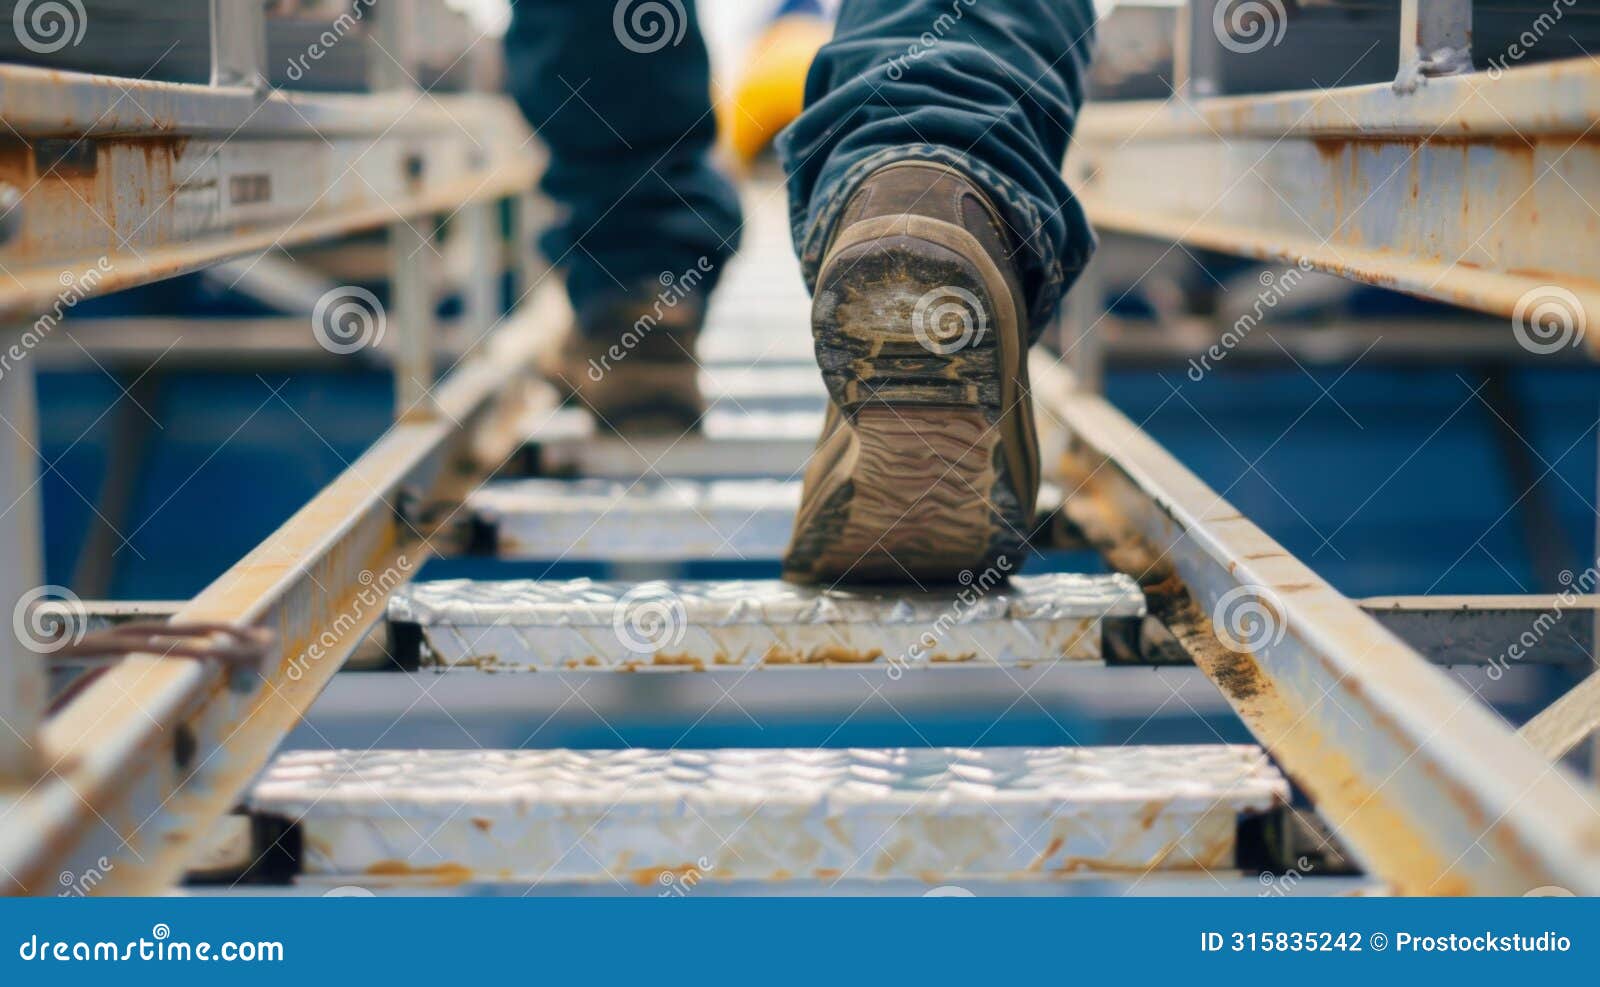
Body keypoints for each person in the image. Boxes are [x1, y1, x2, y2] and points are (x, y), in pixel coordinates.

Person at [505, 0, 1097, 583]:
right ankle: (934, 173)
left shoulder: (766, 53)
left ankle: (638, 293)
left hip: (755, 107)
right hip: (810, 85)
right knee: (925, 102)